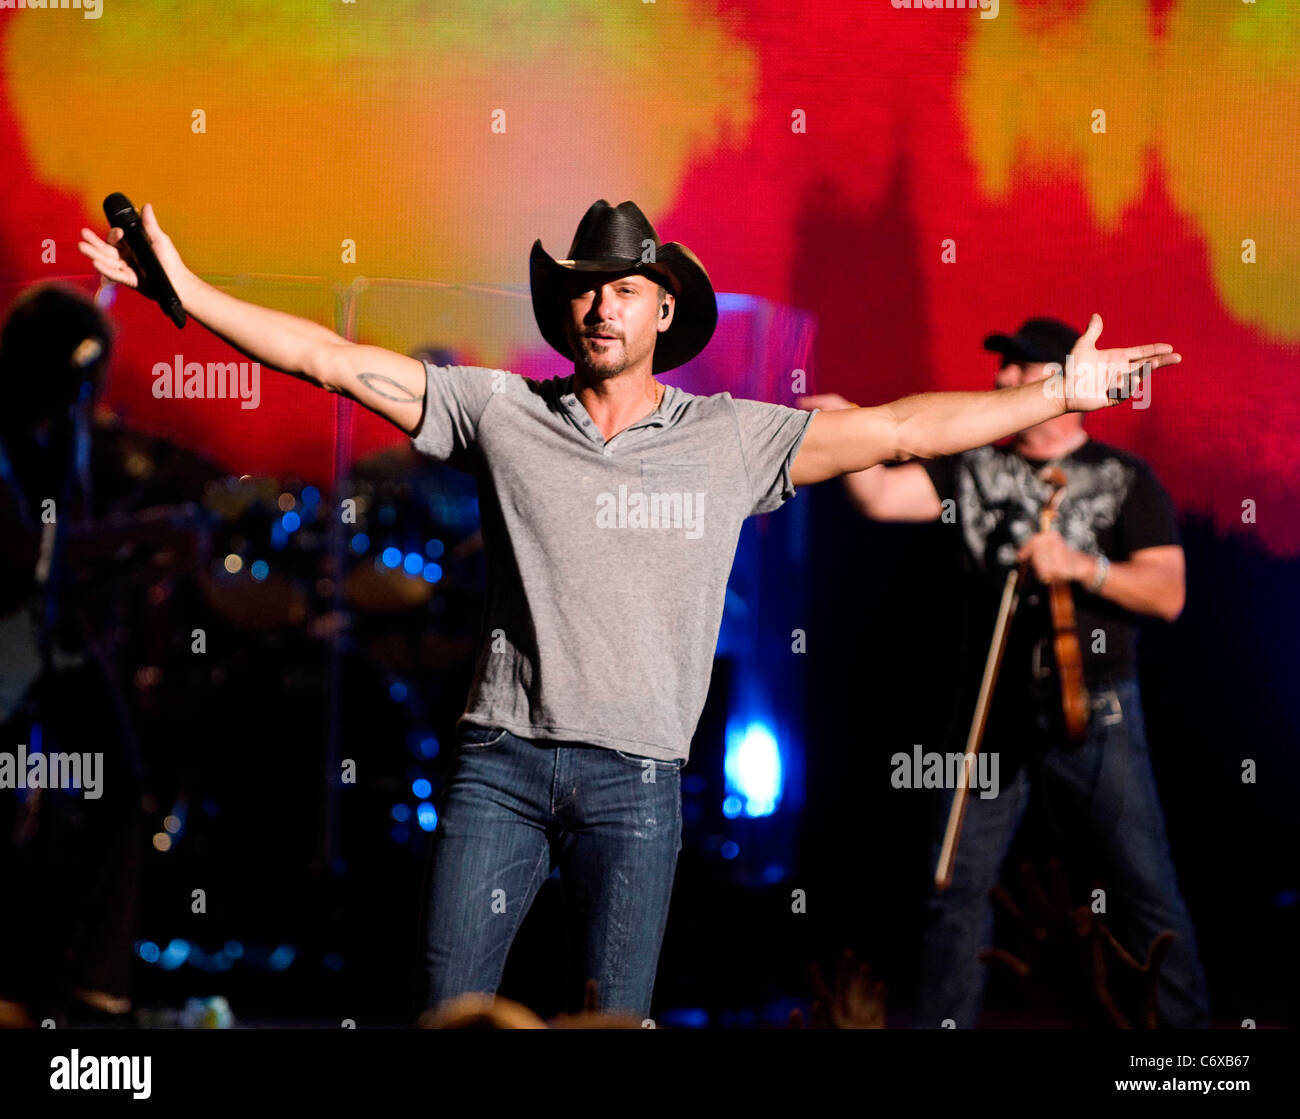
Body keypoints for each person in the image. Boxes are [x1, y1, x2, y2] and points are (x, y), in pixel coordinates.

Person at [79, 203, 1178, 1021]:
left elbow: (898, 432)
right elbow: (326, 358)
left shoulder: (731, 436)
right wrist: (183, 290)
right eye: (583, 286)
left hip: (638, 782)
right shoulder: (499, 412)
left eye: (624, 286)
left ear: (663, 310)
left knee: (611, 1026)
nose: (600, 302)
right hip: (500, 763)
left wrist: (1053, 397)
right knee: (449, 1012)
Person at [801, 317, 1210, 1028]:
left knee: (1142, 882)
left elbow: (1167, 591)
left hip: (1097, 706)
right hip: (992, 709)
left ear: (1058, 381)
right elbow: (880, 496)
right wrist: (850, 429)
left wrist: (1083, 565)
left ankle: (1187, 1051)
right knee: (955, 884)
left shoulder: (1122, 478)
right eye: (1003, 370)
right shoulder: (975, 465)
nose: (1000, 381)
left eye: (1019, 369)